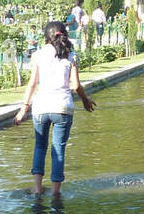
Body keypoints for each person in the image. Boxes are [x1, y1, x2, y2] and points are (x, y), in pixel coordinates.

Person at [15, 21, 95, 197]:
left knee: (40, 146)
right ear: (64, 34)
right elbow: (76, 86)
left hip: (40, 108)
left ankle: (37, 189)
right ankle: (56, 194)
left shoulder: (37, 55)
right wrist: (85, 100)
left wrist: (23, 108)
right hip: (63, 107)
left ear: (46, 36)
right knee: (58, 149)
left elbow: (32, 83)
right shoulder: (71, 55)